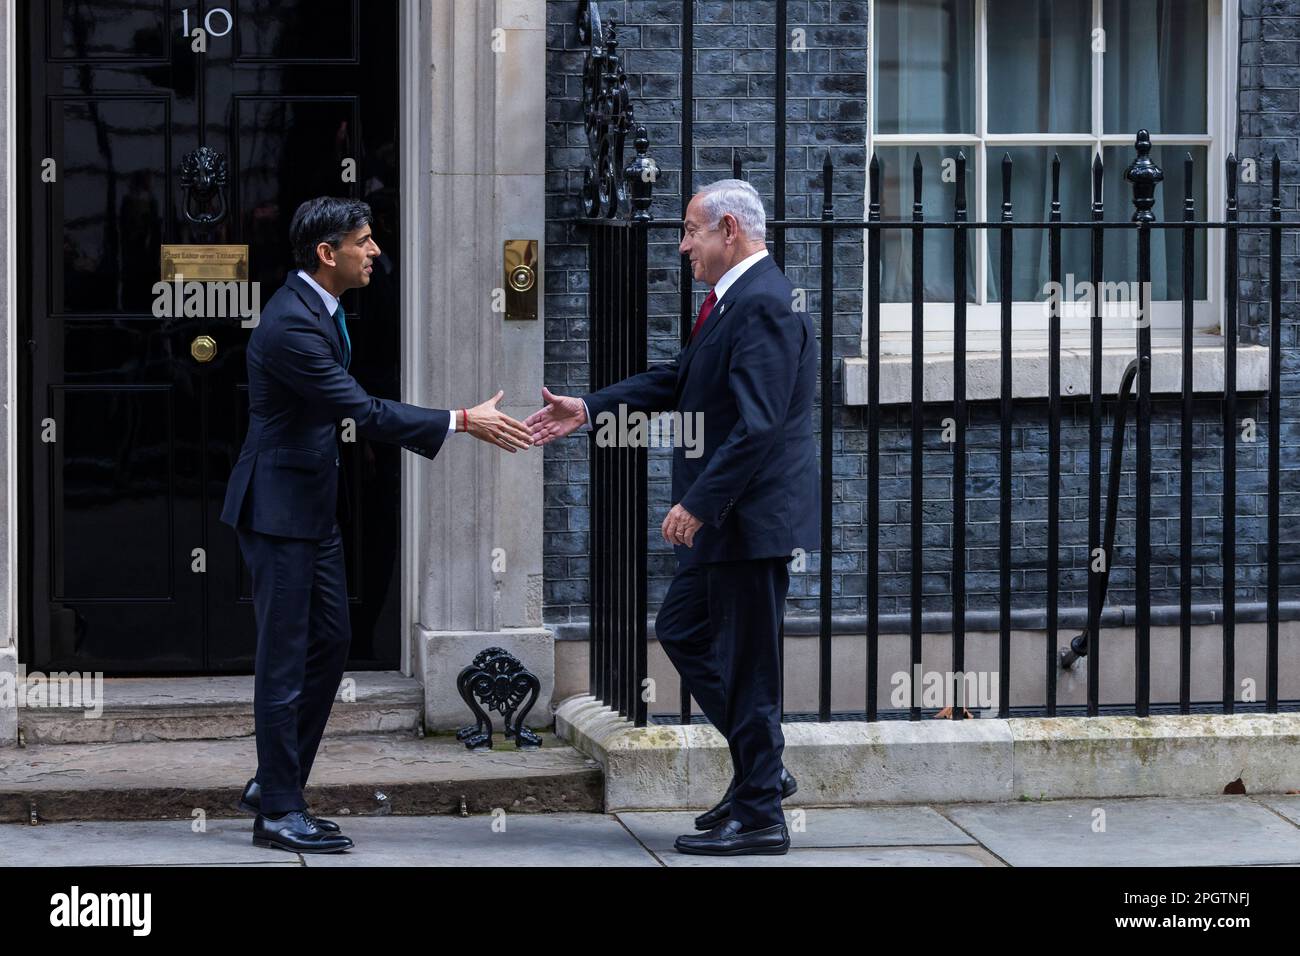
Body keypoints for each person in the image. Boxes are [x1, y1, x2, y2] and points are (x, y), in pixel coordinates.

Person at [219, 196, 532, 853]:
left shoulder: (320, 309)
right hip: (277, 514)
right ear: (327, 254)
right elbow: (359, 407)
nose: (376, 251)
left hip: (310, 510)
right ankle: (277, 809)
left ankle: (276, 784)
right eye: (364, 241)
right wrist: (461, 420)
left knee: (331, 642)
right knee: (283, 664)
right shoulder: (291, 326)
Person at [526, 179, 819, 856]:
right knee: (684, 631)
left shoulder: (765, 304)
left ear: (727, 229)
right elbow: (680, 379)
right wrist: (591, 407)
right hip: (729, 523)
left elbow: (757, 425)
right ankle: (761, 773)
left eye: (690, 231)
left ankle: (762, 814)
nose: (683, 245)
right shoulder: (731, 302)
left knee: (748, 668)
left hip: (746, 524)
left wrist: (698, 503)